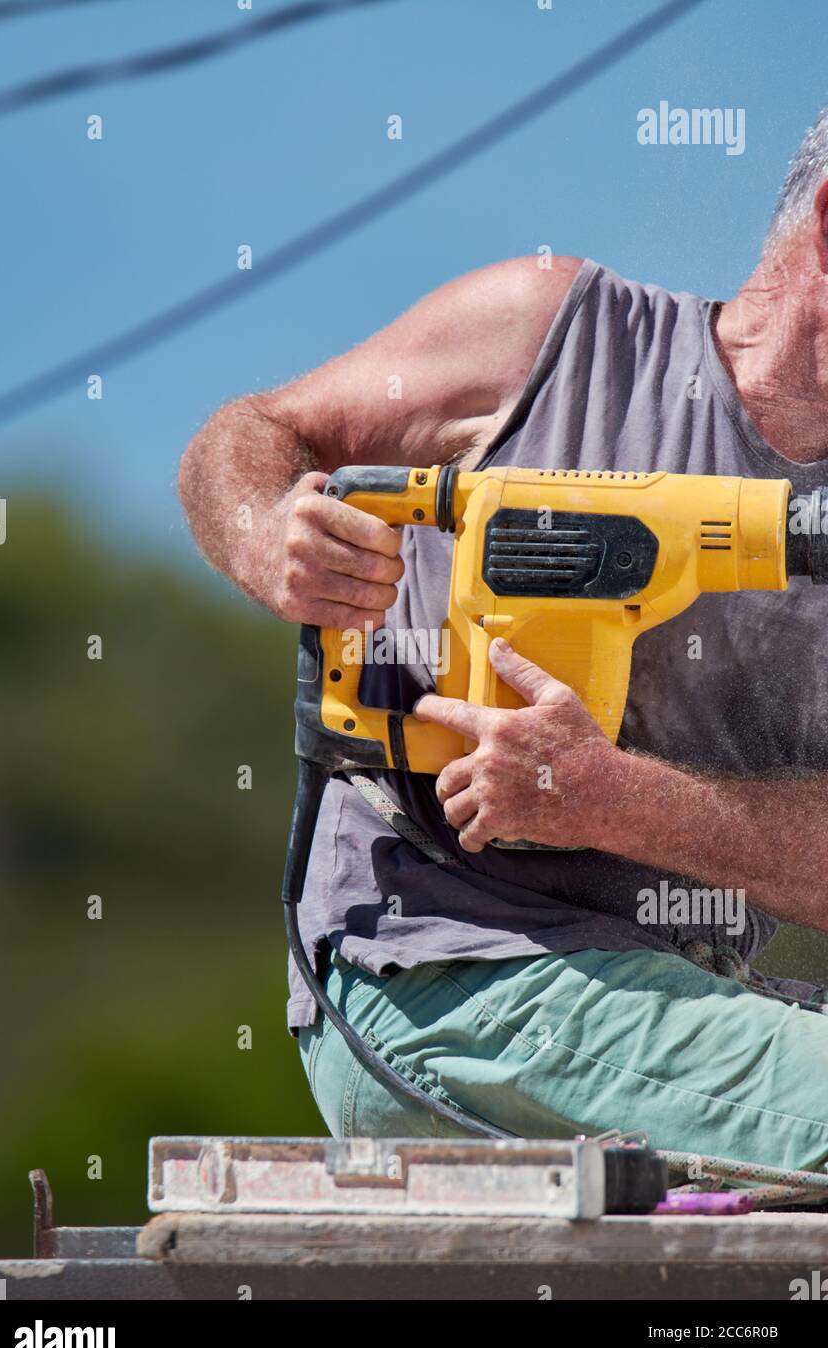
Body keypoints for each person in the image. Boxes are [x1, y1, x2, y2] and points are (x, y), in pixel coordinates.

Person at [180, 109, 828, 1166]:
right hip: (444, 981)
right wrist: (266, 533)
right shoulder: (546, 334)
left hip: (681, 1004)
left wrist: (618, 799)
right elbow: (249, 434)